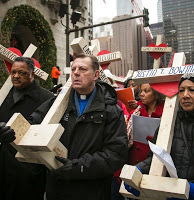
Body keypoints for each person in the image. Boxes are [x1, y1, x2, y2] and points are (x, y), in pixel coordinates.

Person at [14, 53, 128, 200]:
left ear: (96, 75)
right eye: (73, 69)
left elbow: (116, 154)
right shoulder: (55, 104)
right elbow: (32, 124)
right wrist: (12, 132)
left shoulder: (111, 111)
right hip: (57, 188)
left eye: (82, 69)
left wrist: (78, 167)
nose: (76, 73)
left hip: (92, 191)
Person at [125, 73, 194, 200]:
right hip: (166, 193)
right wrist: (138, 171)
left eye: (192, 90)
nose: (185, 95)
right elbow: (156, 157)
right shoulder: (169, 122)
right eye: (181, 90)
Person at [0, 57, 54, 200]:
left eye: (22, 73)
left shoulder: (47, 98)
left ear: (32, 74)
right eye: (14, 72)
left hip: (30, 169)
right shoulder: (3, 95)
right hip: (4, 166)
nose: (16, 76)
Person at [127, 83, 165, 161]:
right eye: (141, 91)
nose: (141, 94)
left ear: (156, 93)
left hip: (156, 161)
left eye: (146, 91)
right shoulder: (135, 113)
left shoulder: (166, 114)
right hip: (135, 160)